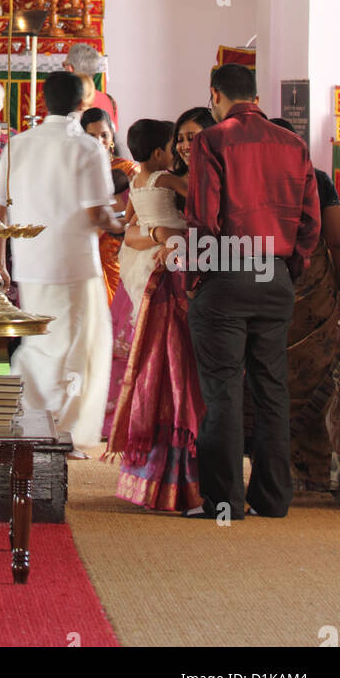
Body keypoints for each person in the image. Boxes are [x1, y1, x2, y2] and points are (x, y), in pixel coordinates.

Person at [185, 64, 321, 520]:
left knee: (223, 391)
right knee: (271, 390)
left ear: (215, 95)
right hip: (274, 274)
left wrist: (195, 278)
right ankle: (272, 498)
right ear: (257, 96)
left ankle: (224, 503)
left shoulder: (213, 140)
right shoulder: (294, 144)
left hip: (227, 273)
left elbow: (203, 218)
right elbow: (310, 222)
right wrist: (287, 270)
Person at [0, 72, 123, 450]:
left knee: (42, 343)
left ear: (43, 102)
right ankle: (60, 430)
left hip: (30, 264)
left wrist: (2, 262)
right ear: (83, 104)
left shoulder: (18, 145)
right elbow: (99, 215)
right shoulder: (87, 148)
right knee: (78, 347)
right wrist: (120, 224)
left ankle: (33, 422)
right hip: (75, 265)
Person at [106, 116, 207, 513]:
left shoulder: (136, 182)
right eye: (177, 141)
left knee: (165, 363)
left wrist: (150, 232)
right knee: (172, 364)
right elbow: (199, 196)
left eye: (190, 139)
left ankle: (158, 473)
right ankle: (174, 475)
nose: (181, 147)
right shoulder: (168, 180)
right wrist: (160, 234)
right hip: (170, 273)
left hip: (152, 268)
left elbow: (126, 225)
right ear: (163, 150)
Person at [270, 120, 340, 493]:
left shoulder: (254, 178)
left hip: (273, 289)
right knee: (318, 382)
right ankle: (313, 473)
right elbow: (336, 242)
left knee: (272, 382)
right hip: (314, 292)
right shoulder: (316, 178)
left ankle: (273, 472)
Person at [118, 120, 187, 322]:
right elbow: (193, 192)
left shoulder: (135, 182)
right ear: (158, 154)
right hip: (169, 234)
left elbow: (129, 216)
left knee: (147, 300)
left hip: (140, 249)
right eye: (171, 149)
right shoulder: (163, 178)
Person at [80, 107, 137, 305]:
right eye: (92, 136)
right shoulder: (77, 171)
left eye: (104, 135)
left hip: (118, 248)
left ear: (112, 136)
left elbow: (140, 207)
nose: (99, 141)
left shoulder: (128, 169)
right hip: (87, 249)